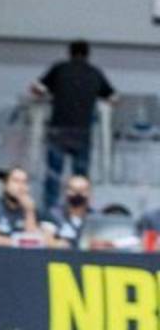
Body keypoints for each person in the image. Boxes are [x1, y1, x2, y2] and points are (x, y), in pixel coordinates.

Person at [30, 39, 116, 210]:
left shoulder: (59, 68)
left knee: (54, 175)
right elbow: (113, 97)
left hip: (58, 130)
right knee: (80, 177)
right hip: (82, 132)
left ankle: (50, 211)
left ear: (69, 52)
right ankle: (79, 211)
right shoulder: (94, 73)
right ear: (87, 54)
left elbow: (37, 89)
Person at [0, 166, 42, 246]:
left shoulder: (31, 208)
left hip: (25, 257)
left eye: (24, 182)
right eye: (16, 181)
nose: (20, 186)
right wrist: (17, 242)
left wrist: (29, 211)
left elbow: (34, 242)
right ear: (5, 186)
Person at [41, 174, 95, 249]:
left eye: (82, 190)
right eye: (74, 189)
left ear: (89, 192)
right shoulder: (53, 214)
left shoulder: (94, 217)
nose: (78, 194)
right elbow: (46, 241)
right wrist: (58, 244)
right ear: (66, 191)